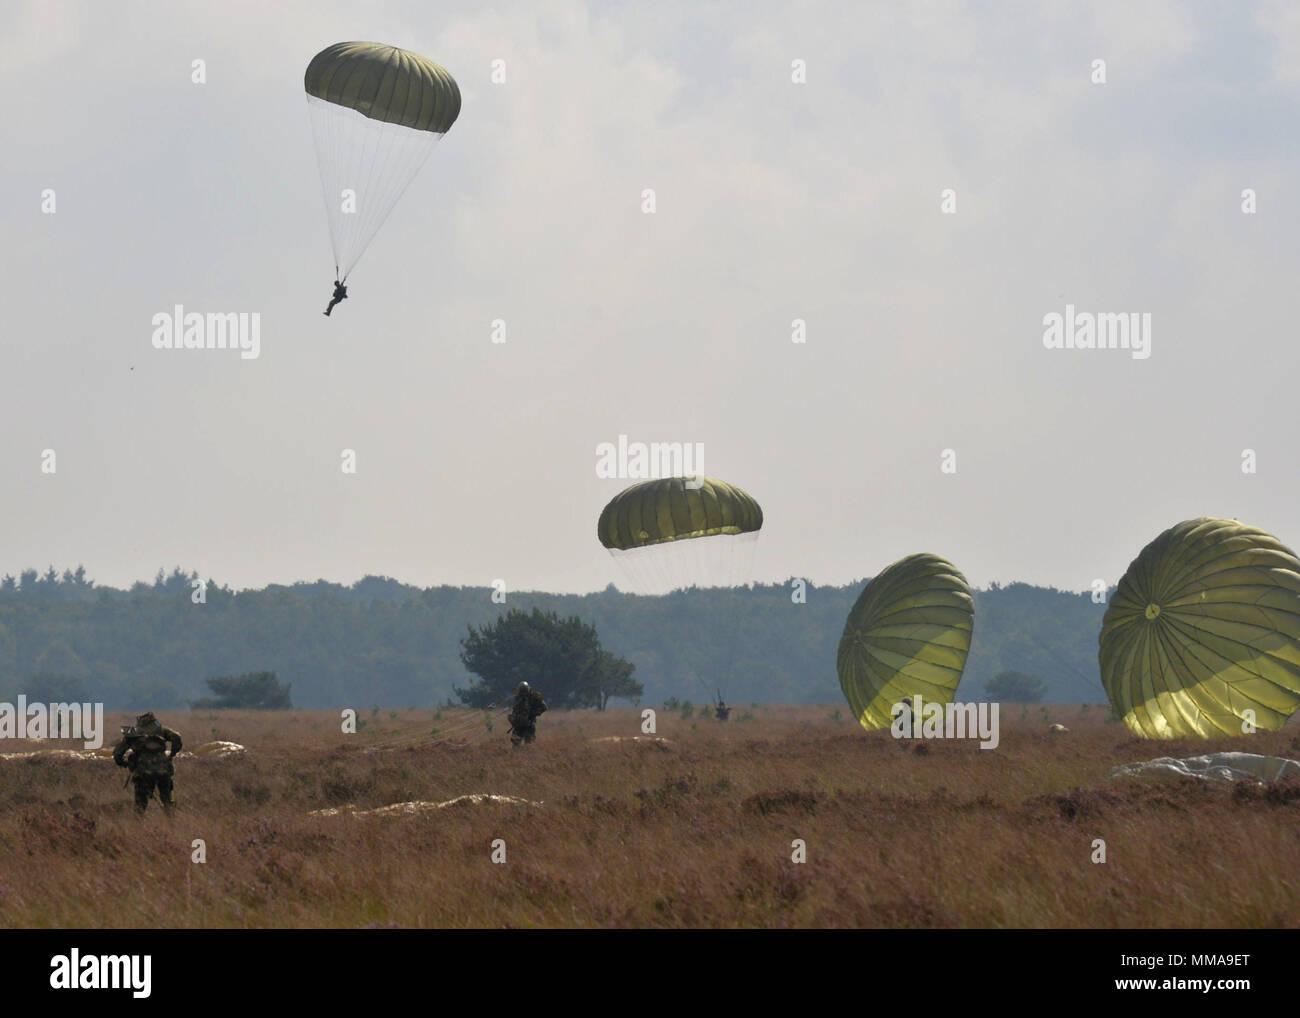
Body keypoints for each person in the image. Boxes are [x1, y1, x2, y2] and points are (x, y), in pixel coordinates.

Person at [113, 712, 183, 813]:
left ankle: (139, 825)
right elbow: (177, 737)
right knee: (167, 801)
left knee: (140, 804)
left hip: (142, 771)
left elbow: (117, 753)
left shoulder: (133, 732)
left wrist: (125, 764)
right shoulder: (162, 730)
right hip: (163, 769)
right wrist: (172, 754)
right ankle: (172, 823)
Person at [508, 682, 547, 747]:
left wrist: (534, 713)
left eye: (524, 691)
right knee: (515, 744)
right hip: (518, 725)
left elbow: (544, 707)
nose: (523, 693)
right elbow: (515, 709)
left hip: (529, 724)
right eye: (521, 691)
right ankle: (515, 756)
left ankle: (528, 756)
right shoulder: (518, 697)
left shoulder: (535, 696)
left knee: (529, 744)